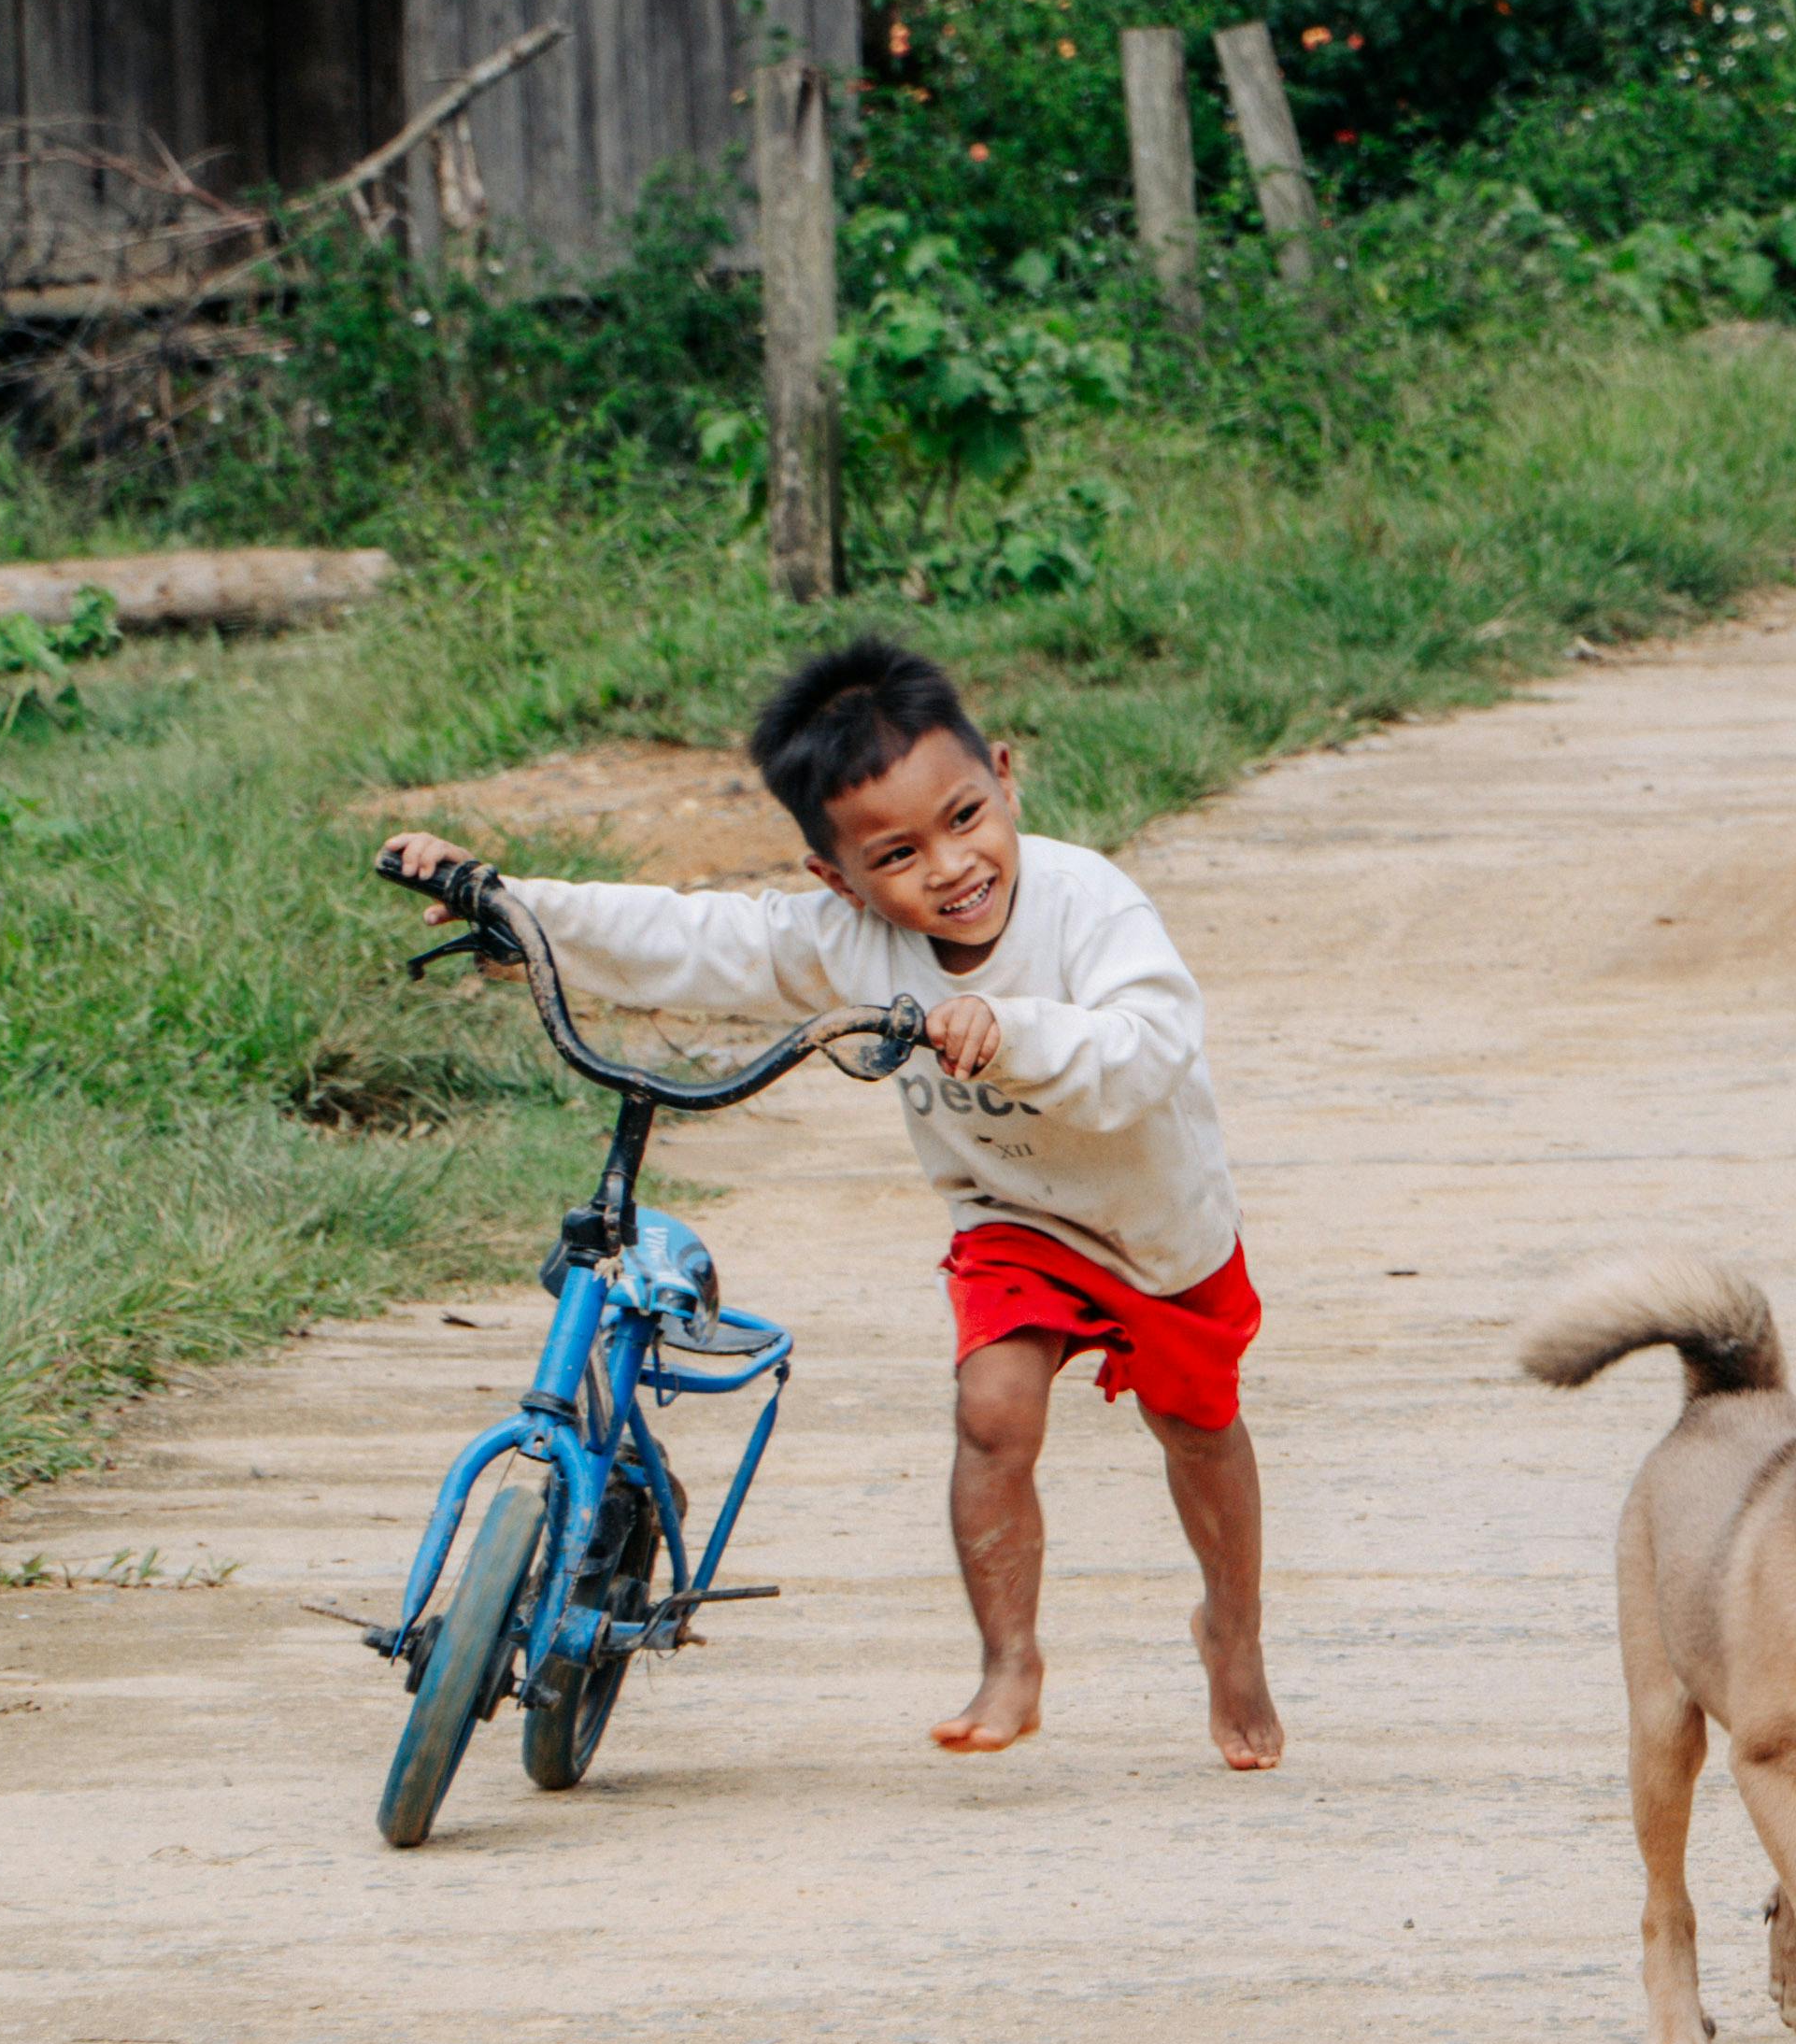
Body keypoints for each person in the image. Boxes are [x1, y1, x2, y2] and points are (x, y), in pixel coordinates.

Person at [380, 639, 1277, 1770]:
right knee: (993, 1413)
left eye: (965, 816)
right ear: (838, 879)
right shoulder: (852, 937)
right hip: (1013, 1215)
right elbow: (695, 939)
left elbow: (1146, 1049)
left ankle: (1232, 1634)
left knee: (1197, 1429)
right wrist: (512, 902)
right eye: (897, 855)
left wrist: (1014, 1031)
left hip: (1157, 1224)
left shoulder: (1091, 904)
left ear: (1005, 776)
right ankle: (1011, 1660)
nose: (950, 867)